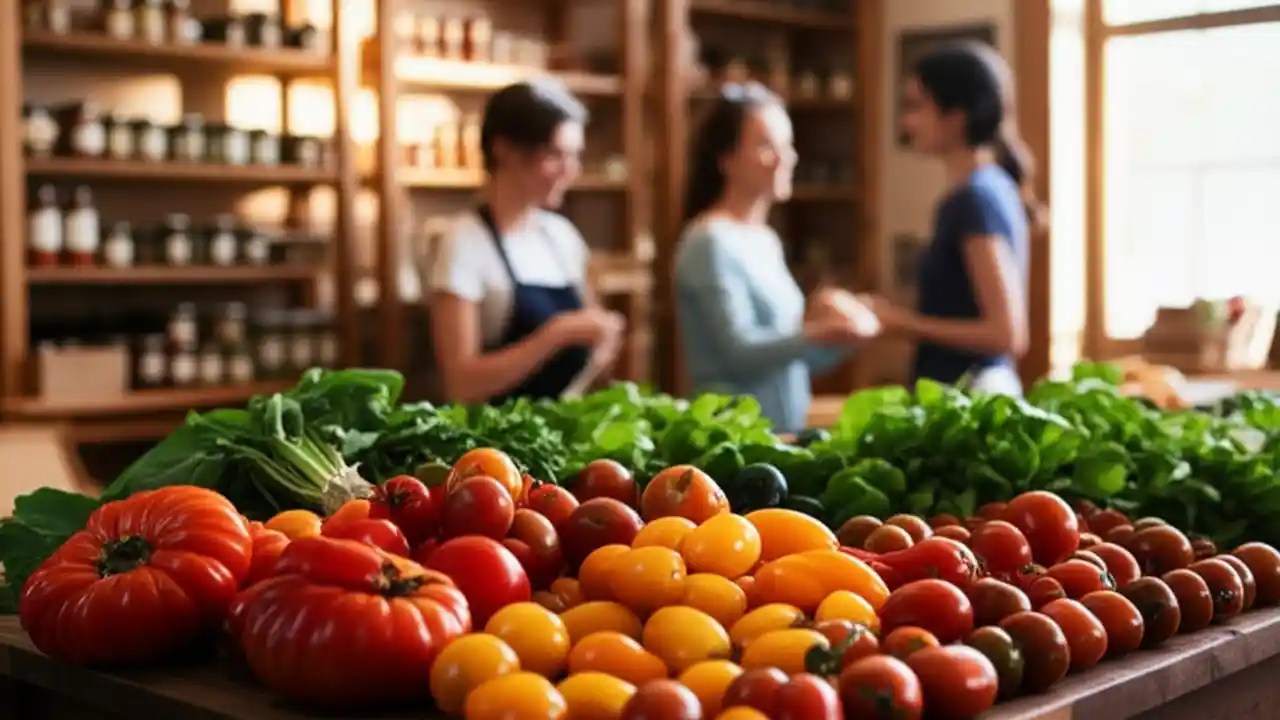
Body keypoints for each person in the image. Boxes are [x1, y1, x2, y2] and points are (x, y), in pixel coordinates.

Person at [675, 82, 879, 432]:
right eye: (767, 145)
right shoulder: (708, 241)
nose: (786, 158)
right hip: (732, 440)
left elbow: (789, 360)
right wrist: (817, 333)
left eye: (787, 145)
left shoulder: (764, 239)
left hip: (783, 435)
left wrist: (843, 338)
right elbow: (738, 353)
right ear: (725, 159)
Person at [428, 79, 625, 404]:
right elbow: (460, 383)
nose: (570, 171)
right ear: (503, 149)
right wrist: (555, 335)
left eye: (575, 156)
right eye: (554, 155)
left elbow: (593, 349)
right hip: (490, 442)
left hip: (560, 427)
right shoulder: (464, 243)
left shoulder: (562, 237)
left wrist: (602, 339)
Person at [865, 42, 1042, 395]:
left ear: (956, 117)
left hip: (971, 399)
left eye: (916, 106)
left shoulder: (973, 199)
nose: (906, 122)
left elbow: (1006, 334)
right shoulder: (992, 188)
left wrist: (901, 323)